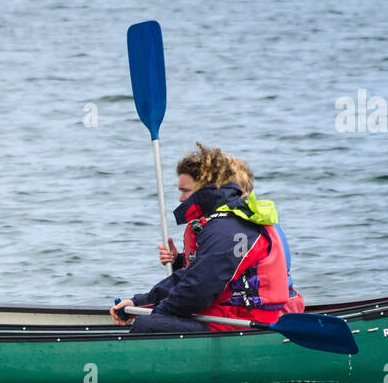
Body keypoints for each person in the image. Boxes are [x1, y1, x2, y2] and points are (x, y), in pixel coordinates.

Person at [111, 143, 297, 334]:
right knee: (154, 318)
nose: (181, 199)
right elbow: (193, 276)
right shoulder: (224, 222)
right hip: (232, 312)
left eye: (185, 190)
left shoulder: (227, 229)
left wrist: (156, 314)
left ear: (205, 188)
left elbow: (199, 289)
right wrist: (140, 303)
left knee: (147, 326)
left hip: (248, 319)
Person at [157, 153, 305, 313]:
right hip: (272, 304)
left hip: (272, 309)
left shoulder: (242, 225)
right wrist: (178, 260)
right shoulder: (236, 220)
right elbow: (205, 270)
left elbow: (209, 278)